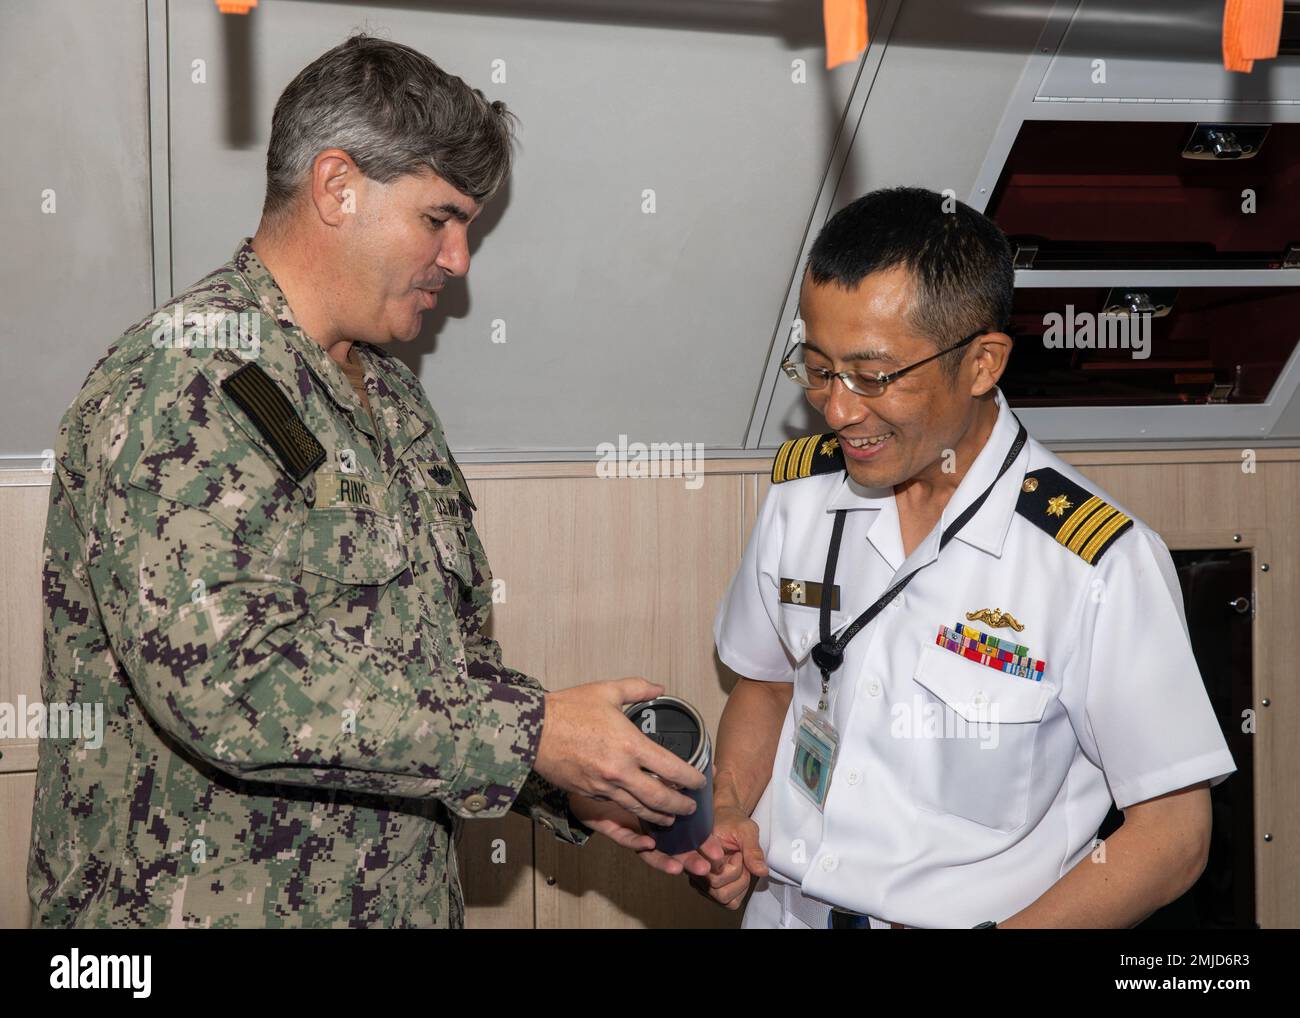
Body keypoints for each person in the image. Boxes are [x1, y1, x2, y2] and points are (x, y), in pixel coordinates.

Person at [27, 33, 702, 929]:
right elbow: (231, 686)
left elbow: (437, 669)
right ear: (337, 186)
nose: (460, 259)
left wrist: (566, 778)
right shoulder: (183, 378)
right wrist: (532, 733)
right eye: (440, 219)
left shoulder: (388, 394)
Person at [627, 186, 1236, 927]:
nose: (839, 409)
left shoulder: (1095, 562)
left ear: (982, 363)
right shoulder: (802, 493)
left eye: (875, 376)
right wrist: (727, 809)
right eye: (818, 369)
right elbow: (769, 681)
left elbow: (1174, 835)